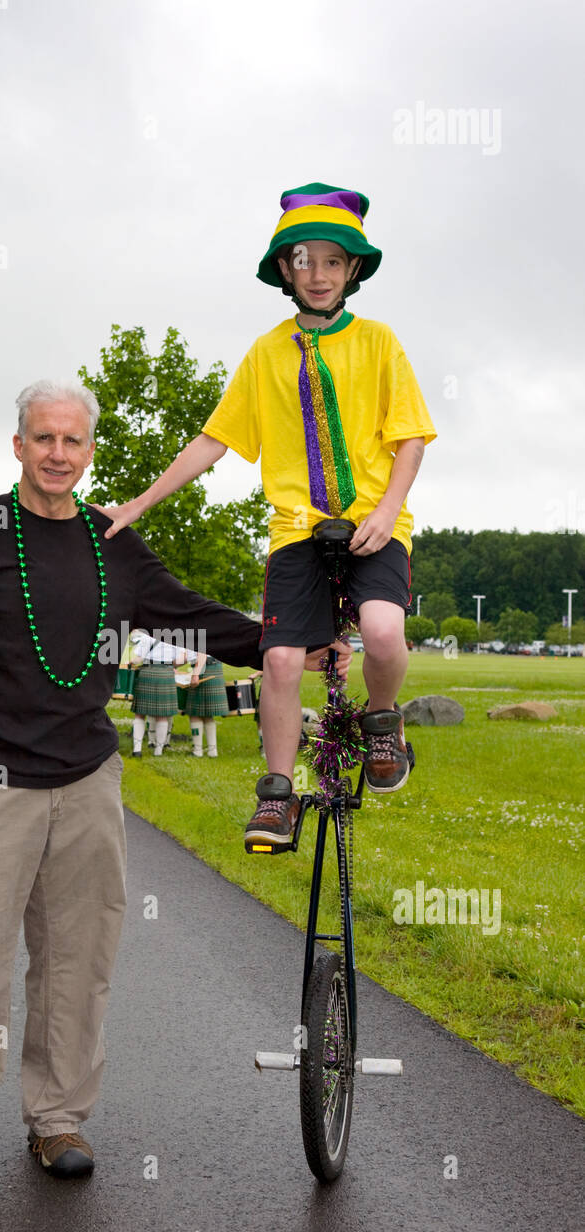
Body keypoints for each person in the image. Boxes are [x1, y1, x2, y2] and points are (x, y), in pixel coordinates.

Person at [0, 378, 351, 1200]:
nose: (59, 454)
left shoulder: (112, 539)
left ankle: (58, 1120)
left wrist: (291, 646)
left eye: (74, 441)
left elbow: (188, 615)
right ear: (17, 445)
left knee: (76, 965)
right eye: (44, 438)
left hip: (90, 783)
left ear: (90, 452)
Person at [98, 182, 436, 846]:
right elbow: (213, 440)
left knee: (383, 630)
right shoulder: (265, 353)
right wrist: (136, 504)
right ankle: (278, 793)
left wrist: (389, 508)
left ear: (353, 270)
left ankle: (385, 720)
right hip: (297, 532)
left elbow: (411, 438)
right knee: (280, 658)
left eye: (333, 261)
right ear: (285, 268)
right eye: (304, 260)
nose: (318, 273)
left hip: (375, 521)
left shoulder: (378, 342)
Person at [184, 651, 228, 757]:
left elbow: (202, 654)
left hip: (203, 668)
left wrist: (195, 674)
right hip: (211, 667)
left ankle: (197, 751)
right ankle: (212, 751)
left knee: (194, 712)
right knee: (208, 714)